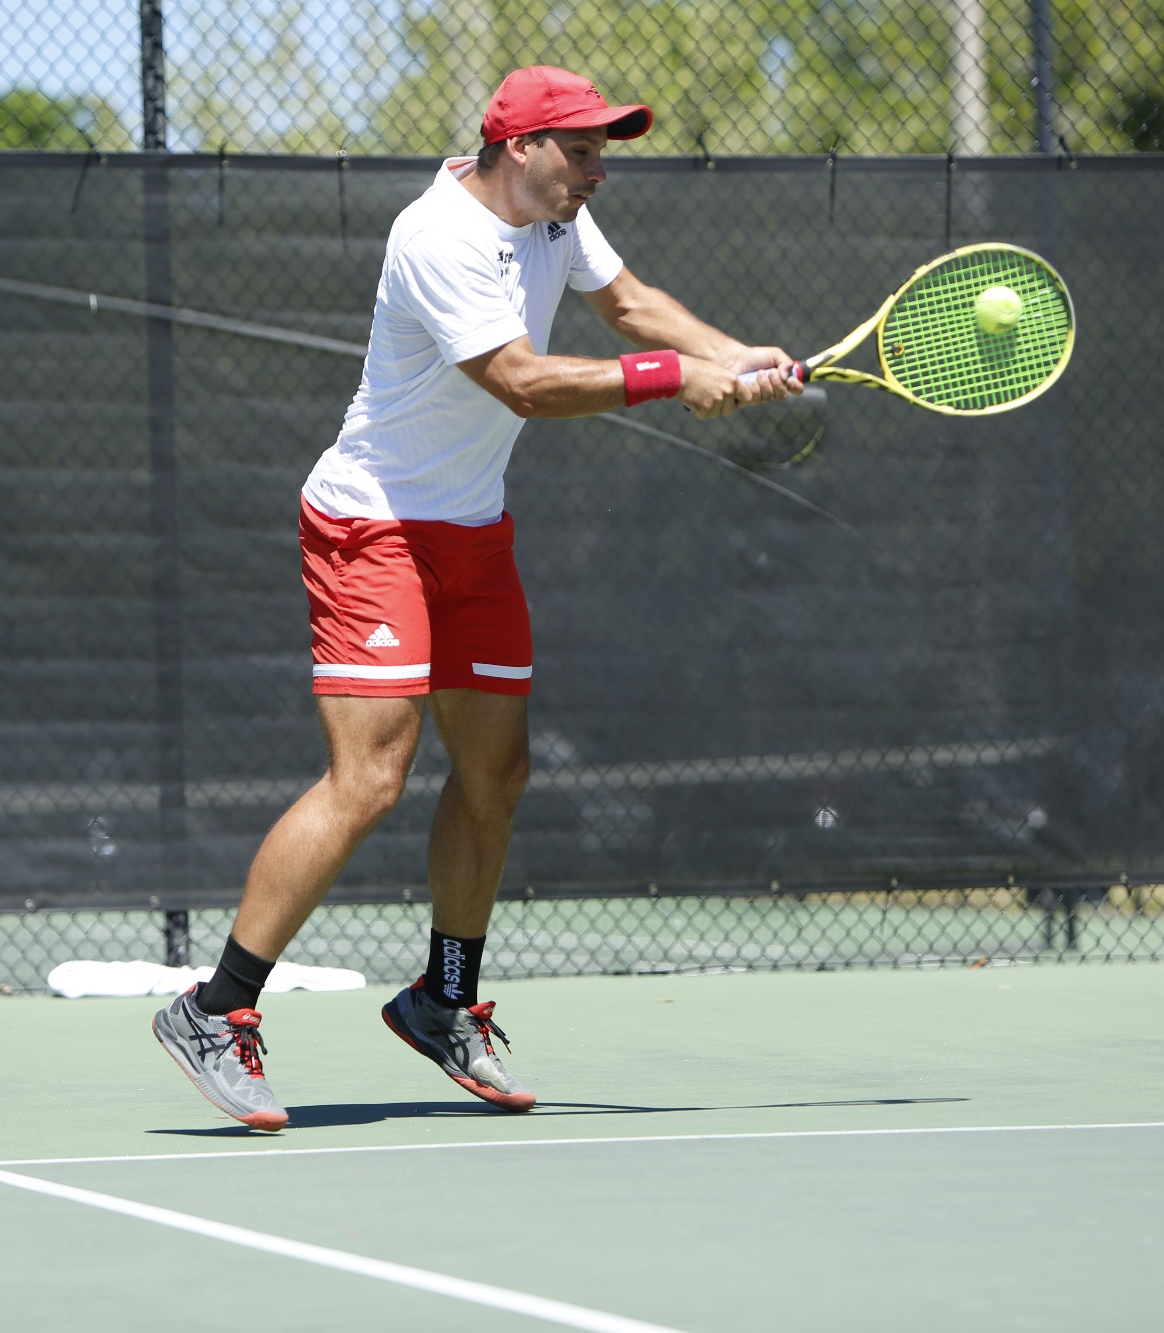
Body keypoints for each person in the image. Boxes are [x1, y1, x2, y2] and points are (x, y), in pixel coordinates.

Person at [153, 65, 800, 1131]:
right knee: (370, 778)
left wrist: (730, 355)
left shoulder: (558, 213)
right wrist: (666, 380)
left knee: (496, 769)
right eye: (582, 150)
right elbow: (519, 383)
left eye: (603, 151)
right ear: (521, 147)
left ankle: (441, 1000)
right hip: (371, 525)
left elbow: (629, 304)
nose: (597, 169)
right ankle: (214, 1008)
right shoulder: (439, 236)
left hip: (471, 527)